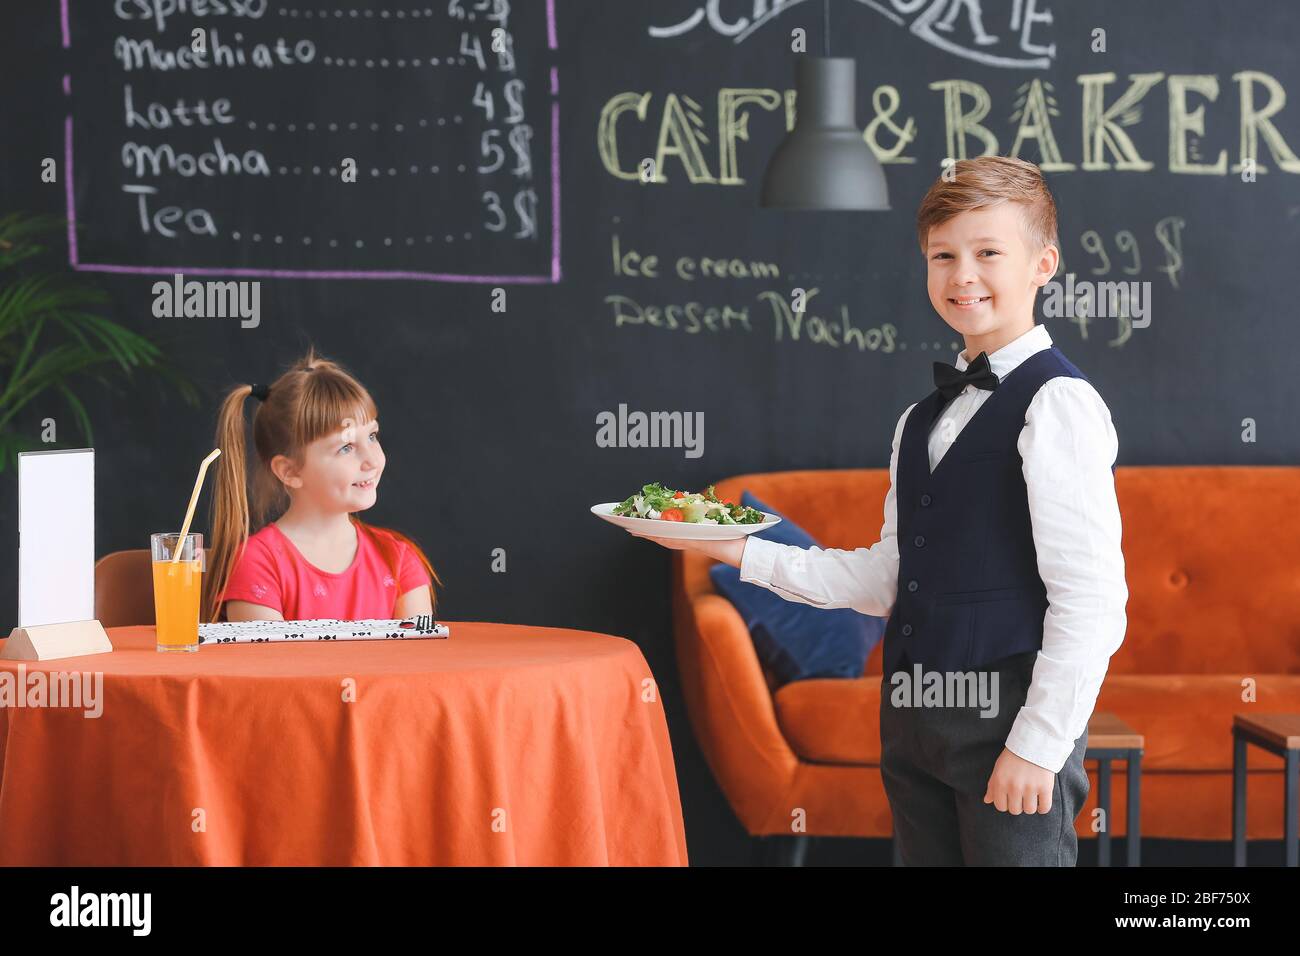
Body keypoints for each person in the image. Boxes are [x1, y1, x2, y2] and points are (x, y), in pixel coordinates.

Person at [629, 156, 1128, 865]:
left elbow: (1093, 600)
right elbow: (885, 578)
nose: (963, 275)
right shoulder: (918, 420)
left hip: (1009, 727)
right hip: (914, 725)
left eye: (989, 253)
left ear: (1043, 263)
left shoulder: (1059, 405)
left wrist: (1039, 746)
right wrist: (725, 546)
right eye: (943, 255)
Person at [201, 347, 442, 624]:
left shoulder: (399, 561)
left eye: (372, 436)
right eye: (346, 447)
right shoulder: (258, 564)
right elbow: (269, 667)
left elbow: (416, 662)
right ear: (289, 471)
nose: (372, 460)